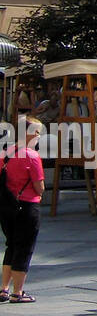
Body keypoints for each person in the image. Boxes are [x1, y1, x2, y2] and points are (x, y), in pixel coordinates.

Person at [1, 118, 45, 302]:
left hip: (6, 206)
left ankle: (3, 288)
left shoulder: (5, 153)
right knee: (24, 247)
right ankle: (17, 292)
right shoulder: (32, 156)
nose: (38, 136)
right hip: (27, 206)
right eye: (36, 132)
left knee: (11, 245)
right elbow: (39, 187)